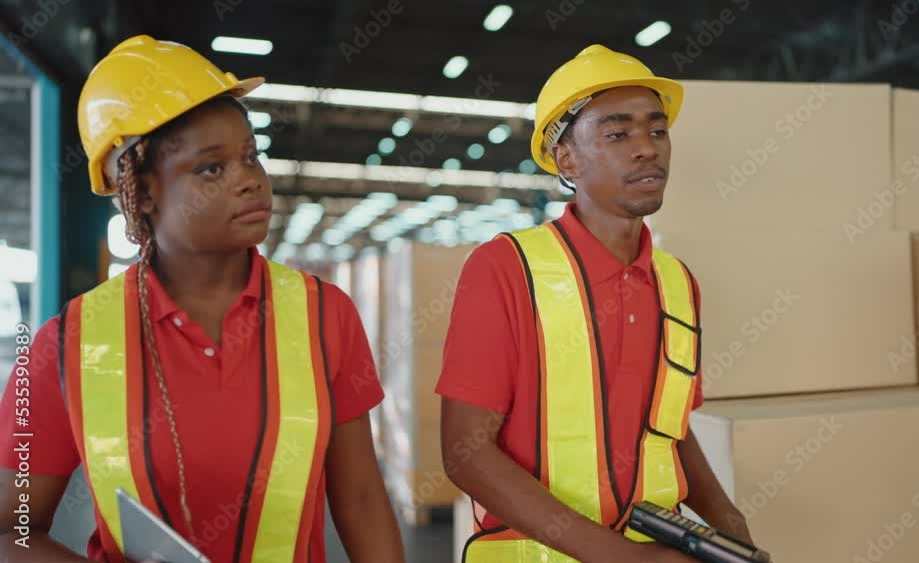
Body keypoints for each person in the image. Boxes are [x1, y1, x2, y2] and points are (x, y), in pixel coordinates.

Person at [0, 35, 404, 563]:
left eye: (250, 157)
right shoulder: (66, 346)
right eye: (211, 168)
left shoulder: (325, 316)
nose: (250, 181)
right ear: (142, 192)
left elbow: (361, 498)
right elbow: (13, 530)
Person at [437, 45, 753, 562]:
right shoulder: (506, 268)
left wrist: (731, 526)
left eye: (656, 130)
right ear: (567, 158)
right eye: (617, 133)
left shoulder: (677, 283)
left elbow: (668, 429)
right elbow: (465, 454)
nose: (647, 148)